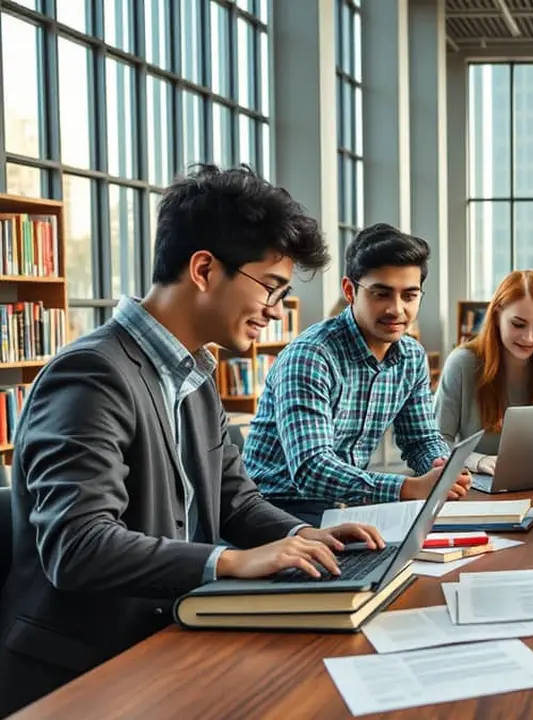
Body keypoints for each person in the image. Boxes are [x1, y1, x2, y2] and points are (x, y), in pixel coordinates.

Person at [0, 165, 386, 714]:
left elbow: (238, 501)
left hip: (175, 643)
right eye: (271, 287)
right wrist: (231, 562)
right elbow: (79, 546)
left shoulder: (196, 375)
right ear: (204, 269)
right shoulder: (92, 374)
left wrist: (308, 535)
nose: (276, 311)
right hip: (87, 673)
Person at [242, 223, 469, 526]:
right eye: (381, 294)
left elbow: (421, 439)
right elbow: (312, 468)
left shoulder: (411, 357)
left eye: (409, 295)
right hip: (276, 510)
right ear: (350, 290)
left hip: (346, 507)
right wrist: (408, 488)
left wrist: (441, 468)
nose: (396, 309)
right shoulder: (311, 356)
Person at [435, 270, 533, 473]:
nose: (529, 338)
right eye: (518, 324)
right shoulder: (463, 364)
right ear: (497, 315)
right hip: (477, 488)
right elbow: (435, 442)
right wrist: (477, 461)